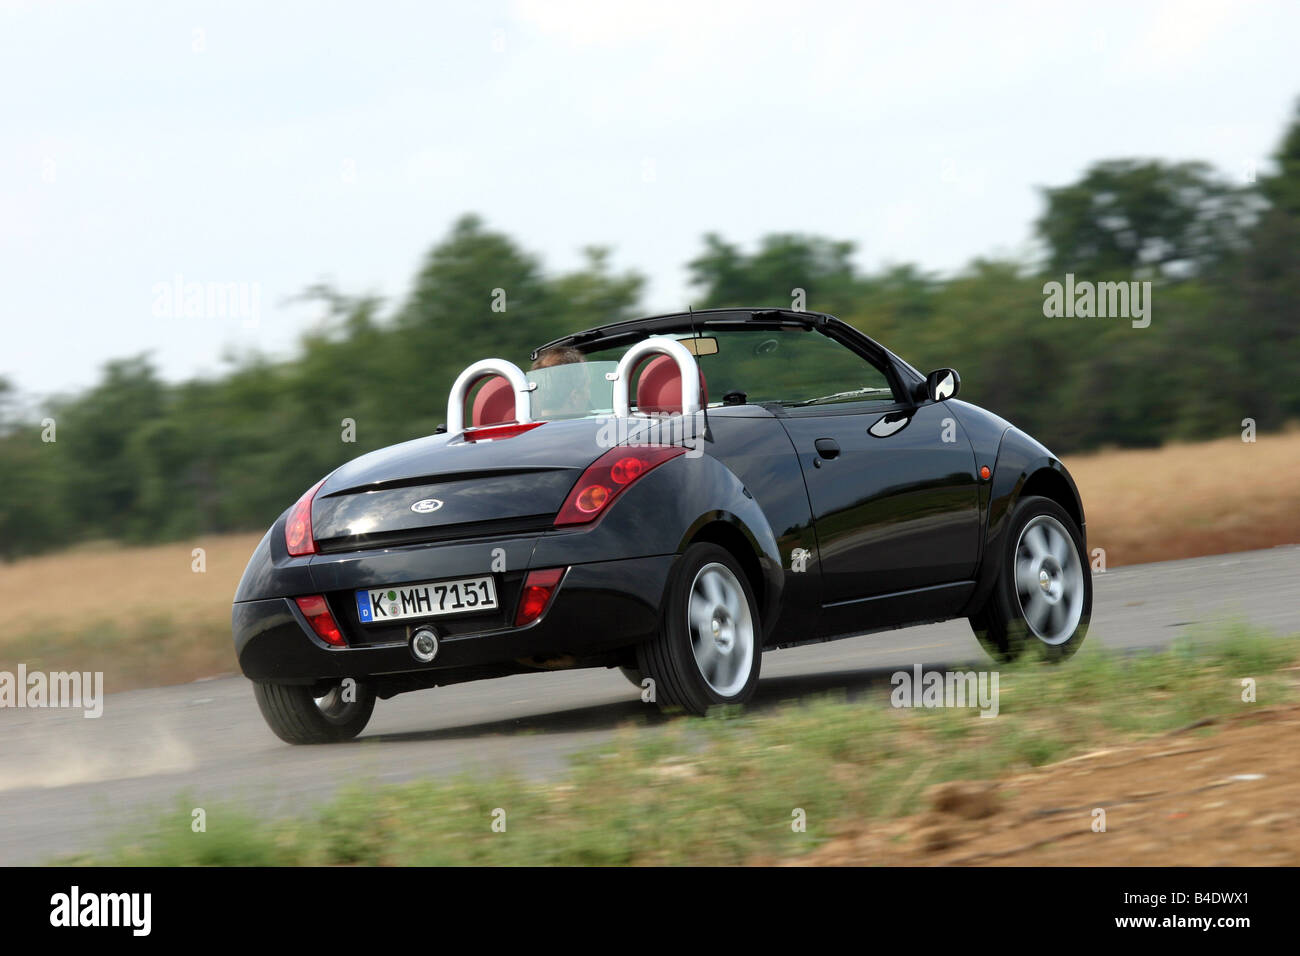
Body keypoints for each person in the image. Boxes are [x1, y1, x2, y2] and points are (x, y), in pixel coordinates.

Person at [529, 346, 591, 419]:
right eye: (587, 387)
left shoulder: (522, 427)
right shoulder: (593, 428)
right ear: (575, 397)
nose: (589, 394)